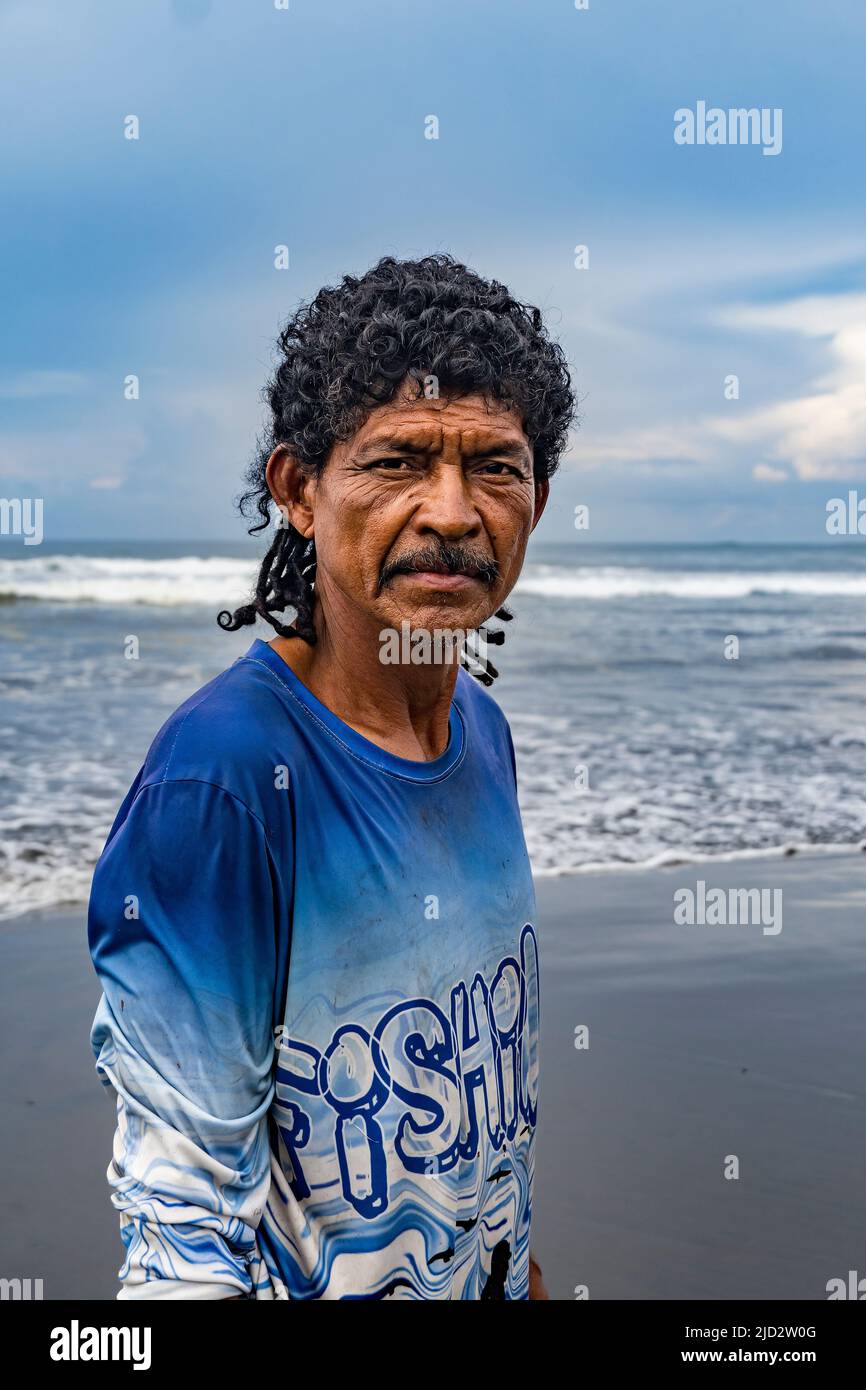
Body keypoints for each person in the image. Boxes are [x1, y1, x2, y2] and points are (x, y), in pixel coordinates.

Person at [88, 253, 574, 1299]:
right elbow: (180, 1227)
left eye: (494, 465)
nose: (451, 511)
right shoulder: (221, 780)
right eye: (398, 461)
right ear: (298, 490)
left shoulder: (482, 734)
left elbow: (484, 1115)